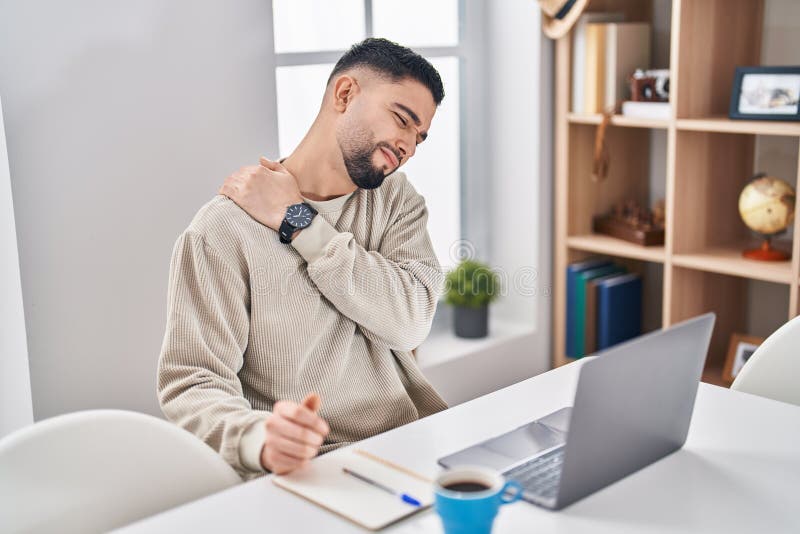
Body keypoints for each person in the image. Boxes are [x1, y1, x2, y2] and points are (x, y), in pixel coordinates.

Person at [157, 38, 449, 479]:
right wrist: (257, 439)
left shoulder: (396, 202)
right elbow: (193, 381)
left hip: (410, 446)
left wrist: (300, 222)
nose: (408, 145)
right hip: (308, 470)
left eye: (419, 137)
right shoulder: (221, 231)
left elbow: (410, 320)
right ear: (345, 94)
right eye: (401, 120)